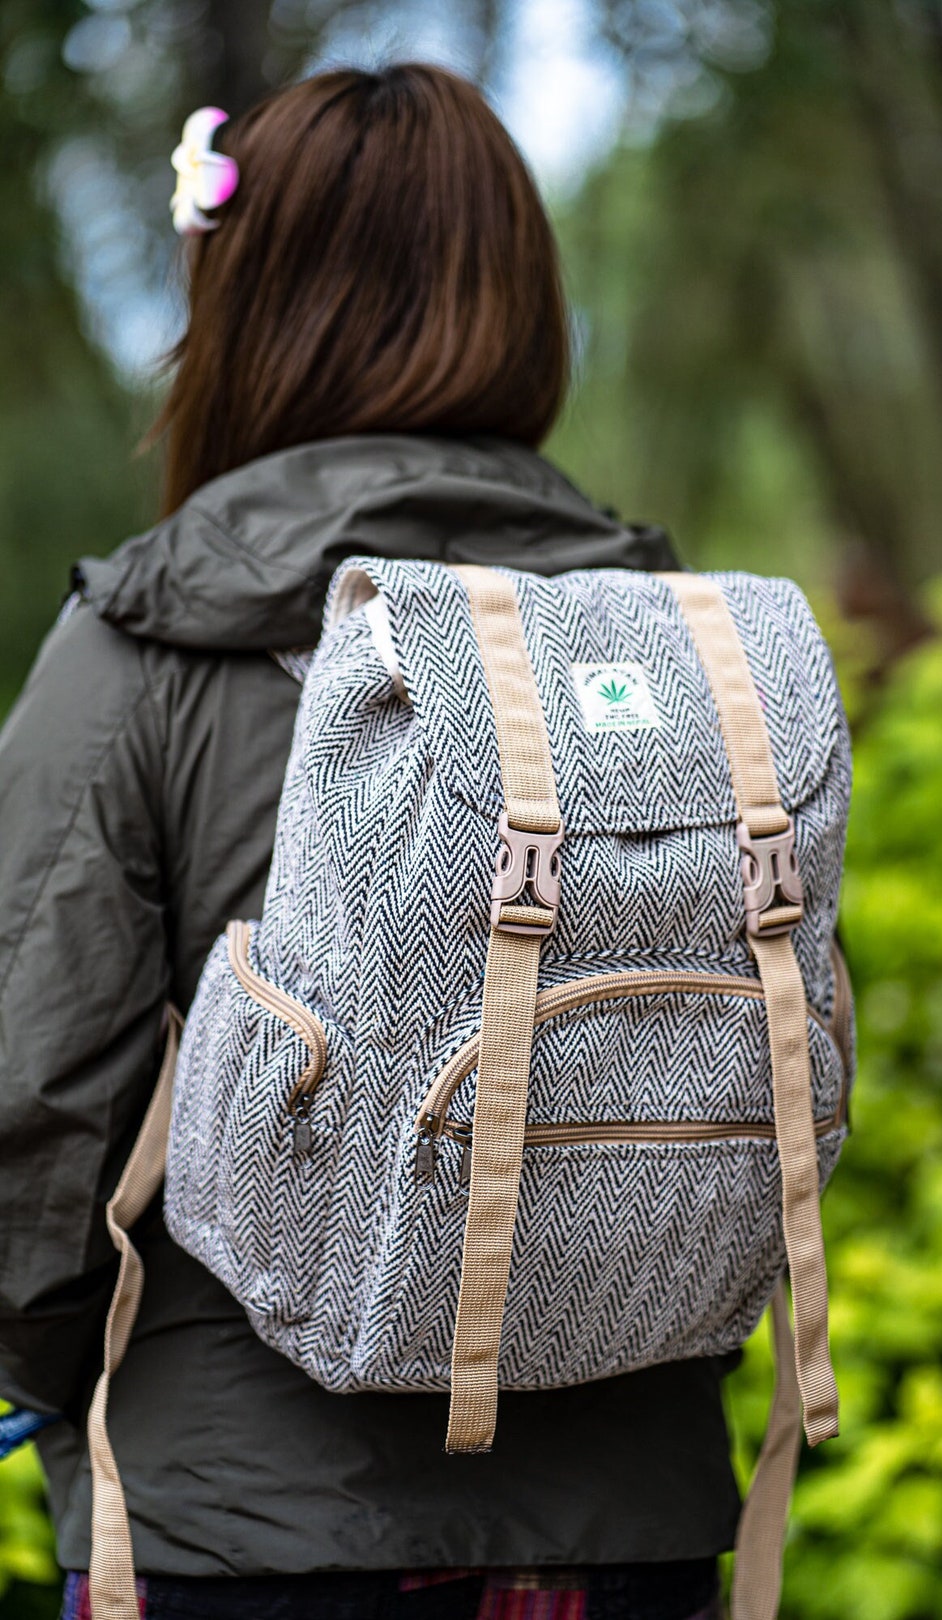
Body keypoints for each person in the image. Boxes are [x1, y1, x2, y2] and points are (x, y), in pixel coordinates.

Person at [0, 65, 739, 1620]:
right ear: (520, 297)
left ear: (241, 301)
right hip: (628, 1534)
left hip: (234, 1534)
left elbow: (31, 1100)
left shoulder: (147, 637)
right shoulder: (676, 643)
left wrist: (79, 1378)